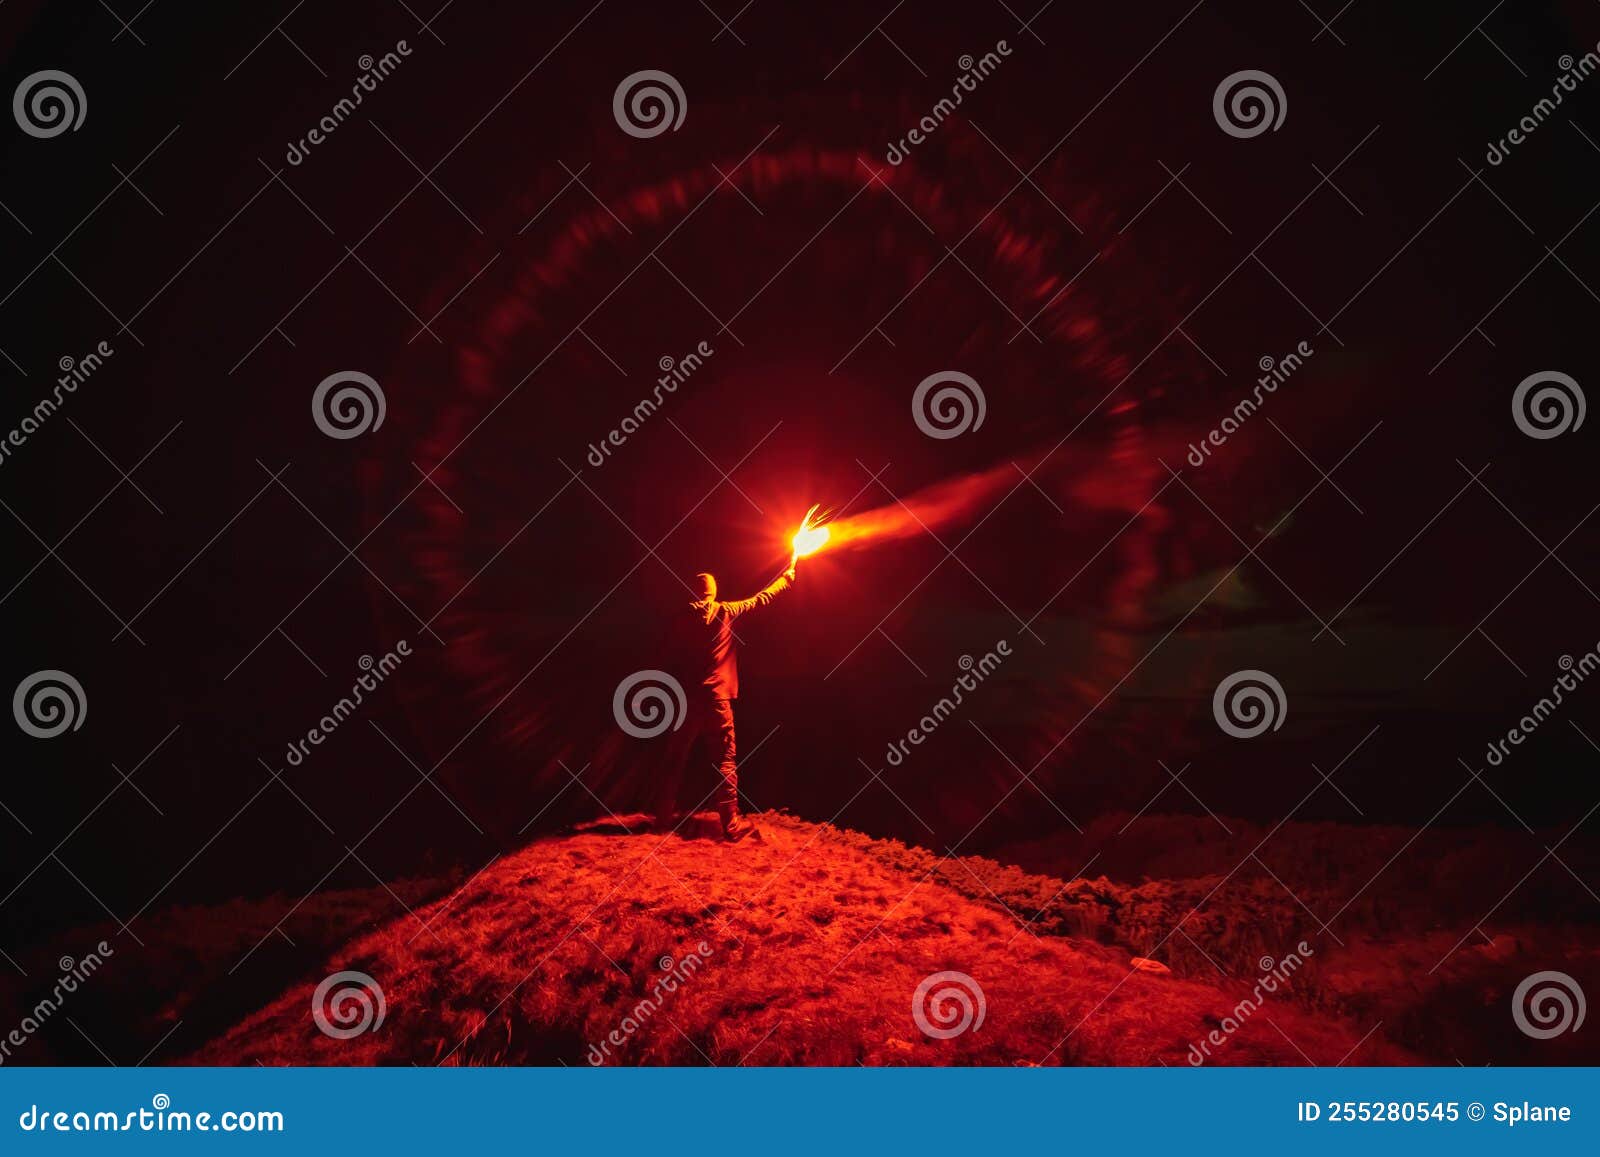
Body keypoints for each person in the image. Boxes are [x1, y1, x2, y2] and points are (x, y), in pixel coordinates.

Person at [660, 563, 796, 842]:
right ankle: (730, 826)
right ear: (713, 591)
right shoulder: (726, 610)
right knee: (724, 760)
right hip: (717, 698)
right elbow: (762, 598)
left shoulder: (680, 619)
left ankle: (661, 819)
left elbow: (667, 654)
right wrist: (785, 580)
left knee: (674, 759)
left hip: (686, 699)